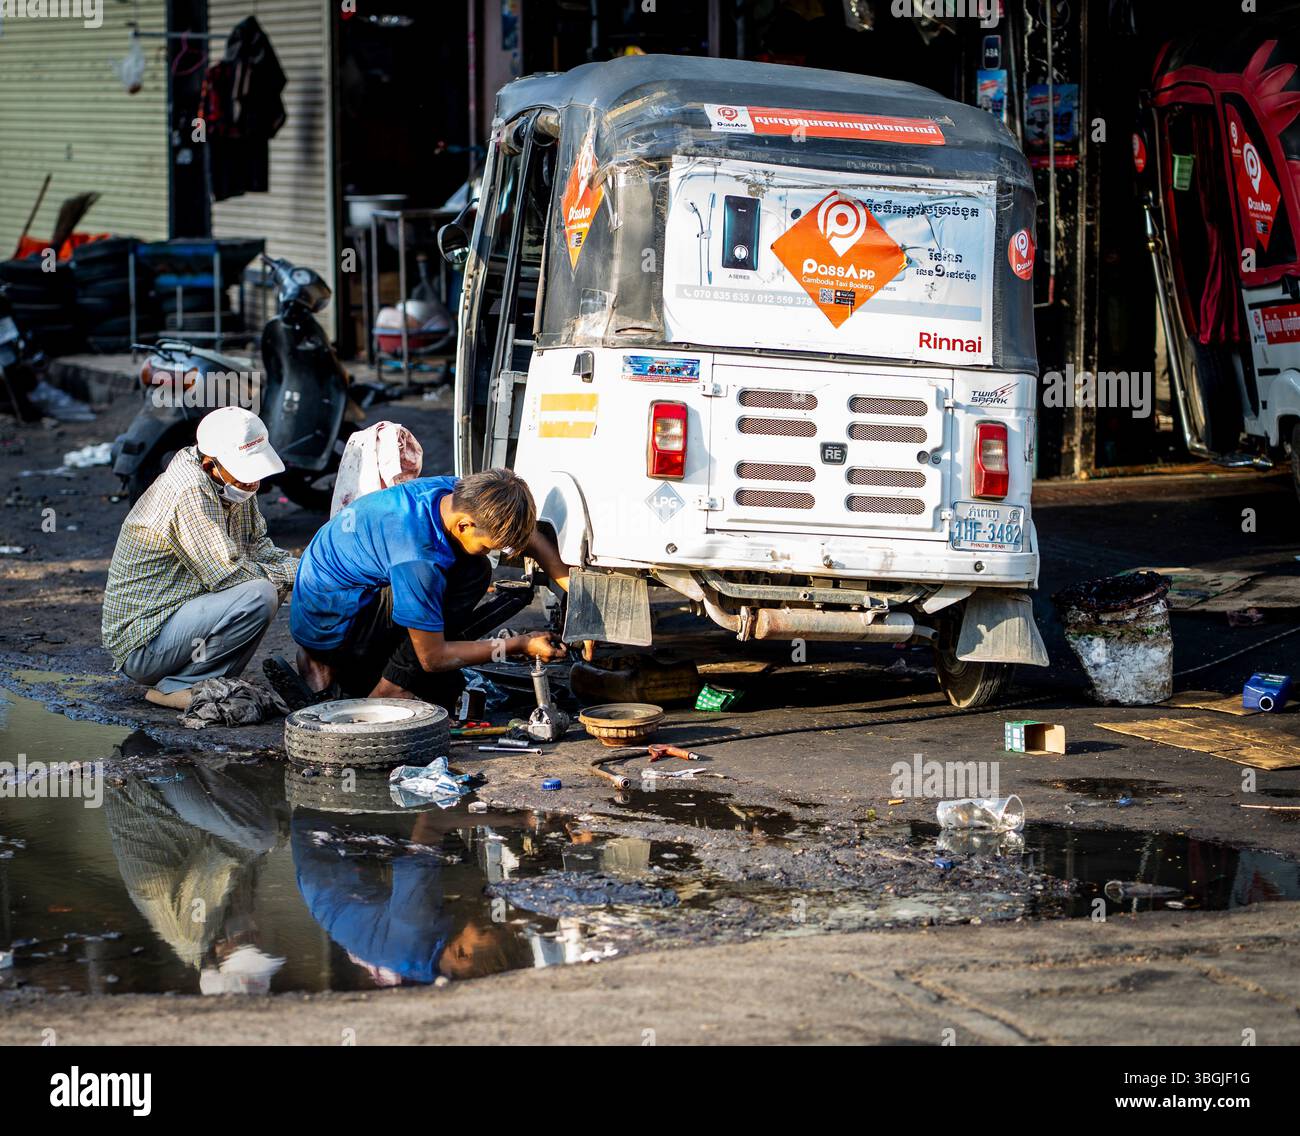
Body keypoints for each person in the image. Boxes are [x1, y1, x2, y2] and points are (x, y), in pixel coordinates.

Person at [273, 468, 567, 710]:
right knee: (473, 572)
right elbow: (433, 658)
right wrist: (519, 645)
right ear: (465, 525)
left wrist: (581, 611)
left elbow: (533, 539)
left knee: (468, 569)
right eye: (488, 545)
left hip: (327, 604)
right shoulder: (417, 556)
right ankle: (387, 692)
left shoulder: (458, 494)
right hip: (332, 628)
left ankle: (330, 669)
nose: (491, 551)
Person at [101, 406, 297, 712]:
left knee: (271, 583)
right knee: (259, 593)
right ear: (210, 463)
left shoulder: (233, 482)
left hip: (180, 619)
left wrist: (312, 566)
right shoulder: (190, 488)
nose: (253, 482)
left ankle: (200, 679)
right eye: (245, 474)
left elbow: (257, 546)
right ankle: (178, 688)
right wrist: (302, 575)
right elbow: (229, 574)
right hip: (143, 643)